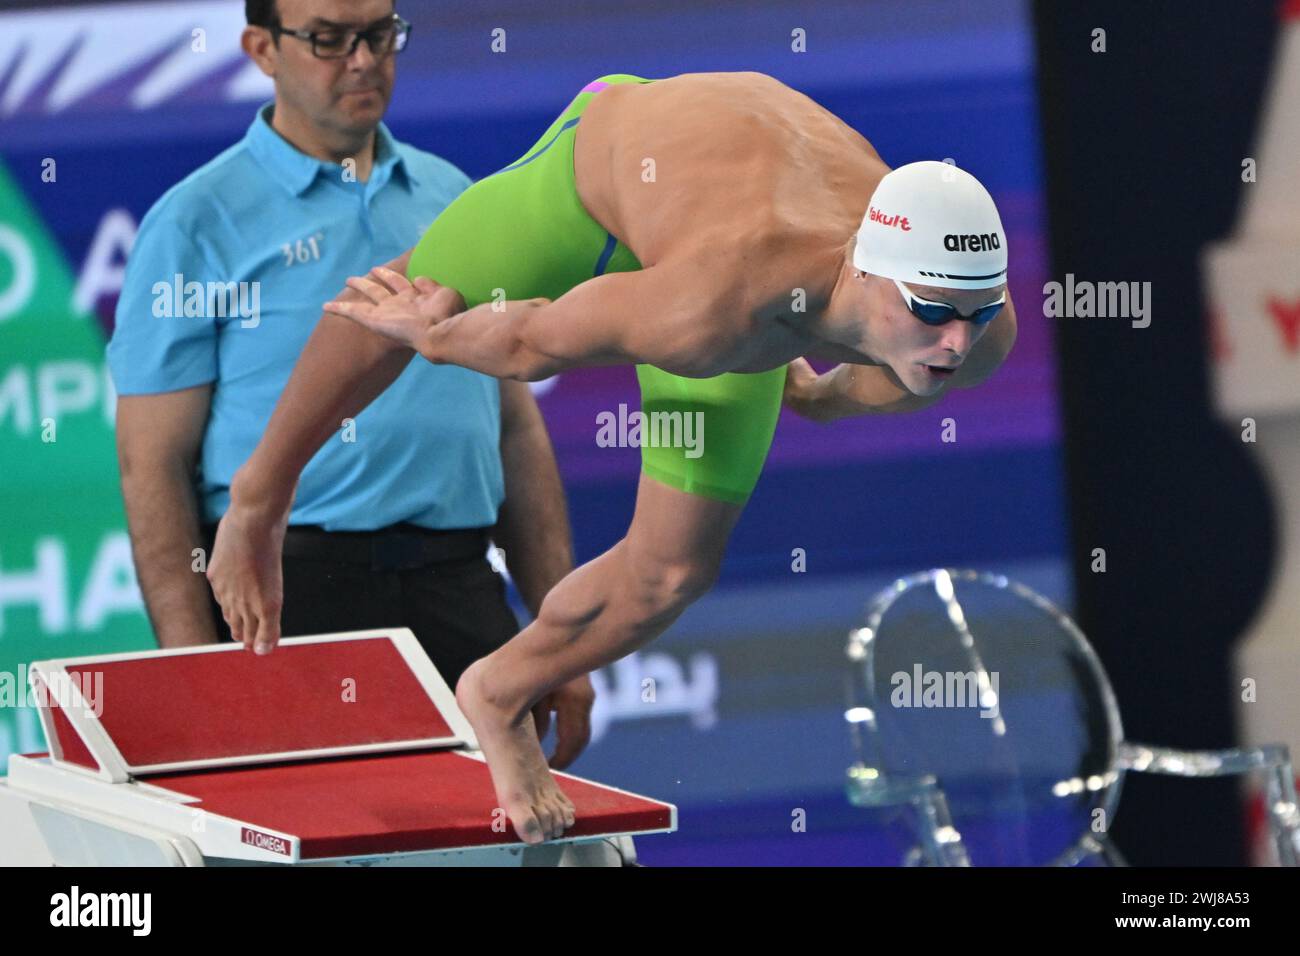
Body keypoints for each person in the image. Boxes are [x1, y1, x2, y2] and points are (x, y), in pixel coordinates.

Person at [207, 71, 1018, 845]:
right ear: (874, 275)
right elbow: (531, 339)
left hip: (746, 255)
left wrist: (816, 390)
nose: (956, 340)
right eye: (932, 312)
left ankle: (495, 689)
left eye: (975, 315)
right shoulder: (723, 304)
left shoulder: (975, 331)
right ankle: (259, 496)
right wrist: (439, 338)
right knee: (395, 309)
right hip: (603, 176)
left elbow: (855, 389)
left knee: (673, 574)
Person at [109, 0, 592, 769]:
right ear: (261, 48)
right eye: (329, 39)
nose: (363, 59)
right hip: (287, 602)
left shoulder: (455, 200)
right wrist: (192, 677)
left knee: (506, 845)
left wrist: (562, 641)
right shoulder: (195, 224)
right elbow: (152, 465)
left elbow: (513, 432)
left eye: (378, 34)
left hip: (459, 590)